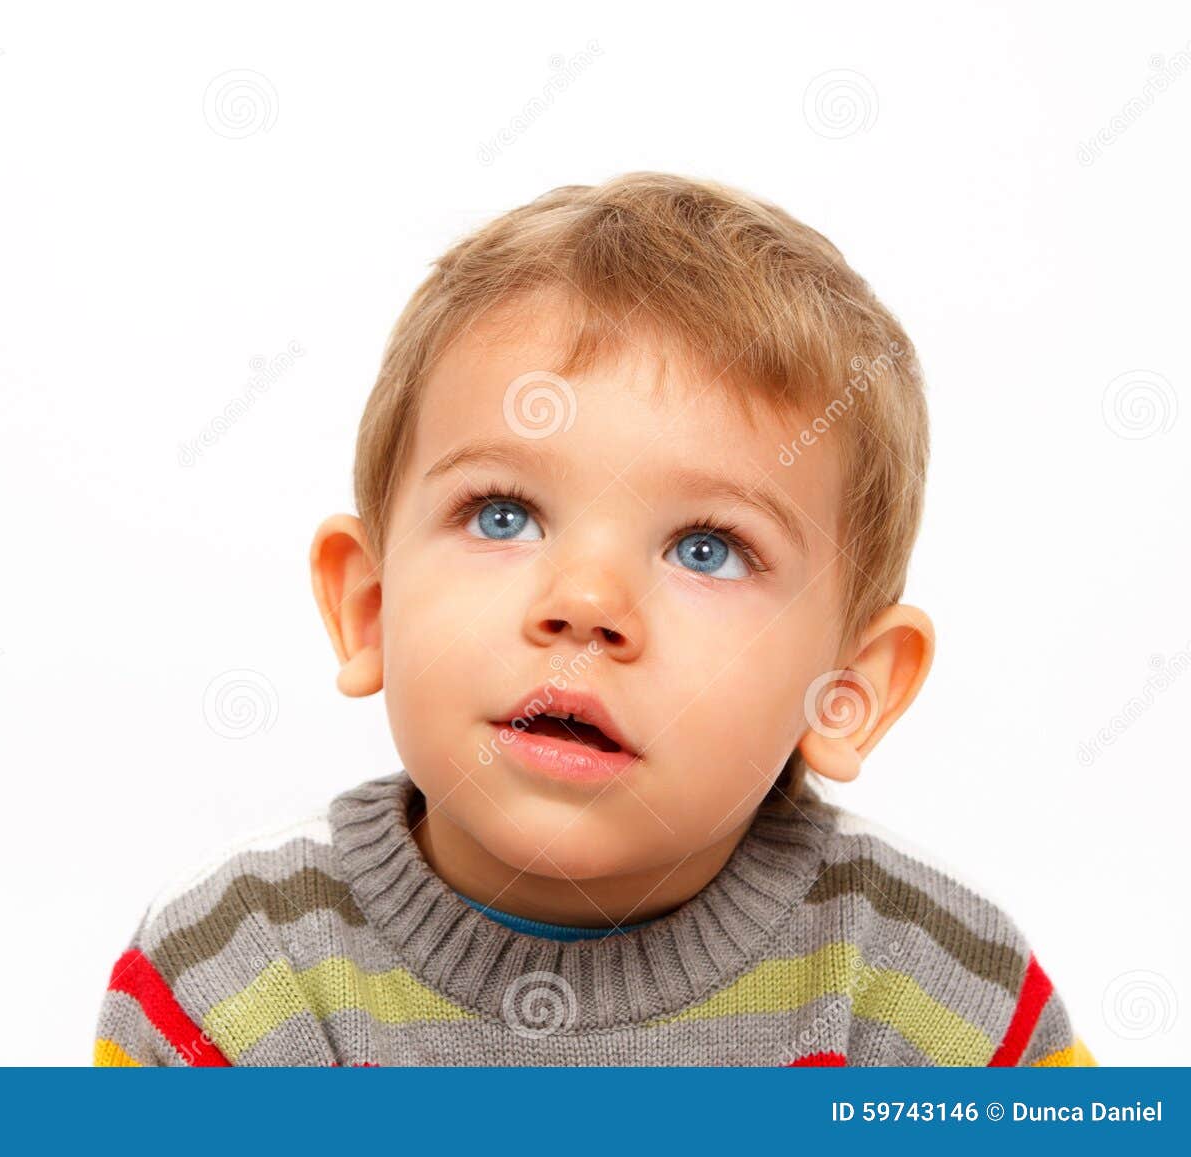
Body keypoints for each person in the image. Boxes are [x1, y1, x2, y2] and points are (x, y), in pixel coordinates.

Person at [93, 172, 1095, 1066]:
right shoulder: (229, 981)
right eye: (502, 515)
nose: (585, 604)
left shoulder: (937, 998)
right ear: (370, 606)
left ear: (847, 691)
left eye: (706, 547)